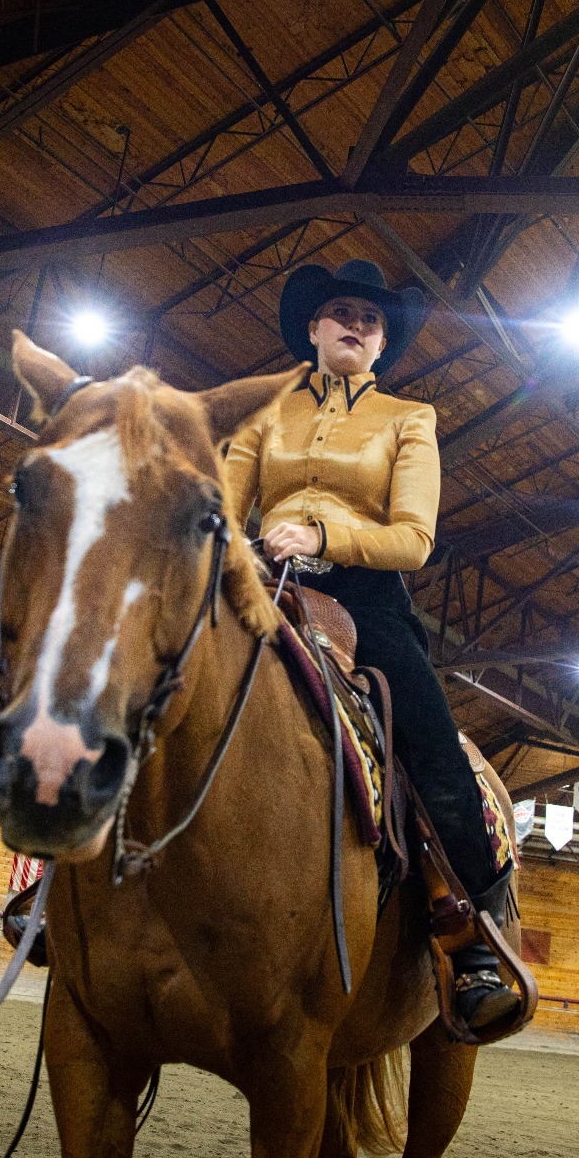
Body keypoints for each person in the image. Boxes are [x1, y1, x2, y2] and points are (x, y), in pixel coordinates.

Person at [223, 258, 520, 1035]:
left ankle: (473, 937)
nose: (357, 324)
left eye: (373, 319)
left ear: (382, 345)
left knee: (431, 743)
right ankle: (69, 881)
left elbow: (414, 539)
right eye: (343, 312)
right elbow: (224, 504)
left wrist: (323, 532)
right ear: (314, 328)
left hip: (362, 595)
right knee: (149, 666)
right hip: (259, 579)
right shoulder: (265, 411)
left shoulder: (408, 418)